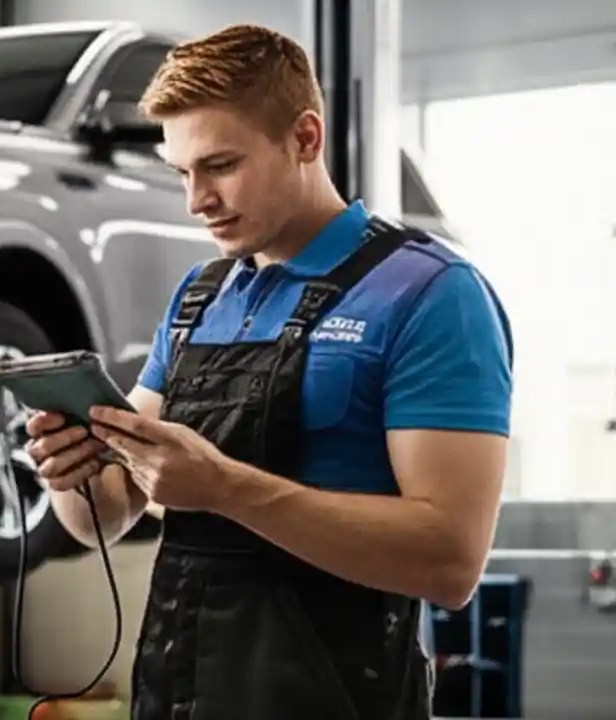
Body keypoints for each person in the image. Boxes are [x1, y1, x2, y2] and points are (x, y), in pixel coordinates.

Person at [25, 23, 512, 720]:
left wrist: (224, 488)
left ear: (305, 139)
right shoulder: (200, 298)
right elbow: (106, 515)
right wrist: (70, 469)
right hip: (176, 696)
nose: (197, 200)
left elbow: (450, 562)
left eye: (221, 165)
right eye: (182, 173)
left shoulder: (432, 295)